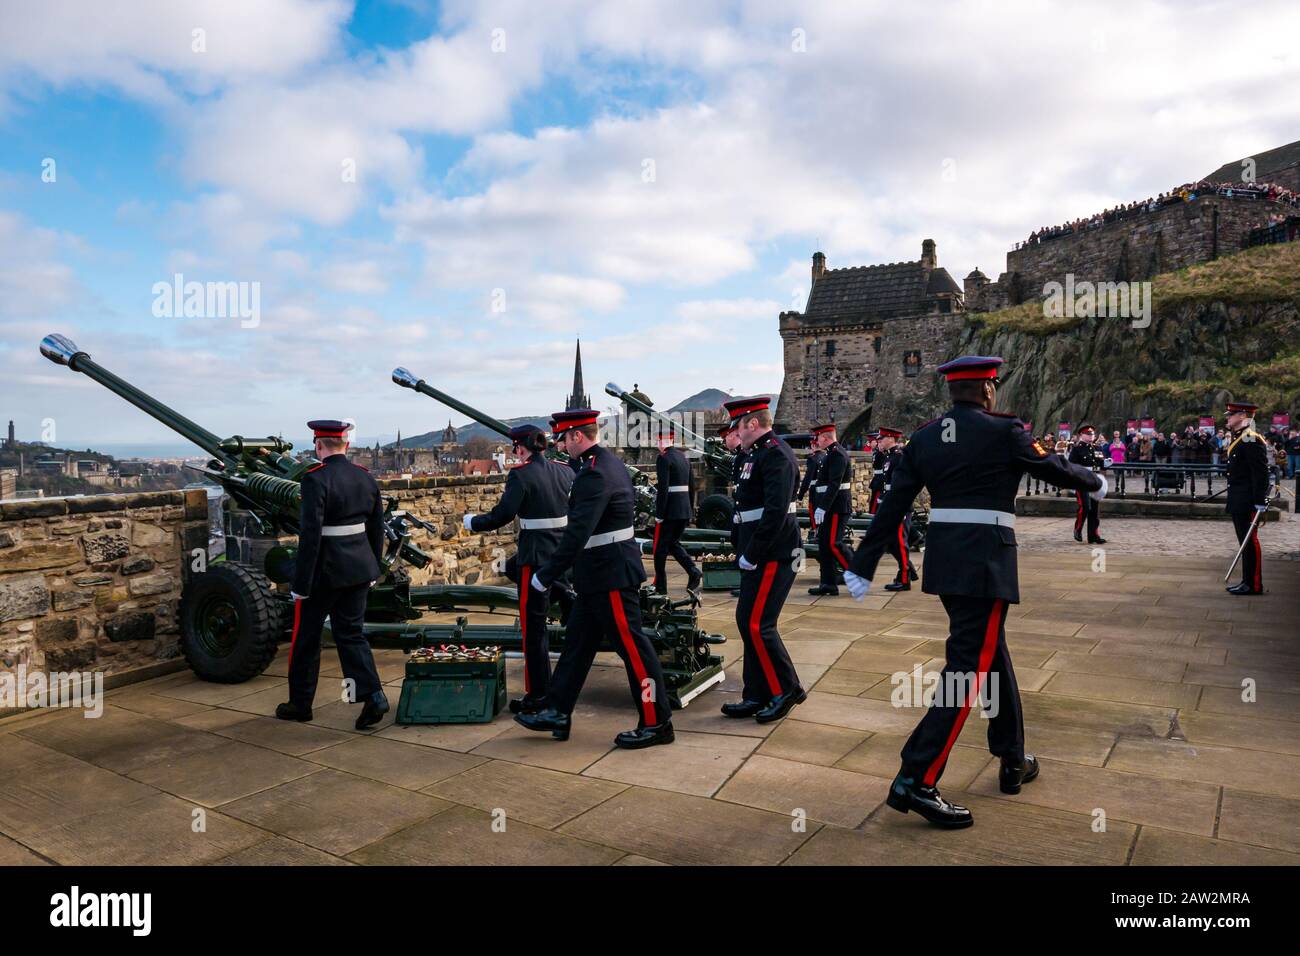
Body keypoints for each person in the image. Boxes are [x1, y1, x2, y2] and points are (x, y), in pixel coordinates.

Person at [843, 356, 1105, 829]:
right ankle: (915, 778)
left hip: (947, 565)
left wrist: (862, 564)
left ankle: (1011, 757)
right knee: (967, 669)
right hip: (986, 564)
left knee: (991, 656)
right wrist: (1096, 481)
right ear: (987, 389)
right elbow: (1056, 469)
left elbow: (892, 507)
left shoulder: (923, 437)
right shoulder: (1004, 431)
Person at [515, 409, 674, 748]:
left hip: (610, 573)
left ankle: (656, 720)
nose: (560, 445)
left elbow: (576, 534)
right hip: (597, 573)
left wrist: (547, 575)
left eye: (563, 439)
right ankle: (557, 710)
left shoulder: (594, 473)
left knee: (633, 647)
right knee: (577, 646)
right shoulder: (600, 464)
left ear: (576, 436)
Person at [278, 420, 389, 730]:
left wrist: (301, 583)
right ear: (347, 446)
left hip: (324, 574)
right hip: (358, 570)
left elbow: (311, 534)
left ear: (318, 445)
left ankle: (300, 704)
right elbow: (375, 527)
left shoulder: (315, 480)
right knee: (351, 635)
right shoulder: (365, 477)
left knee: (306, 639)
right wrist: (373, 567)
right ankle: (373, 695)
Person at [463, 423, 574, 714]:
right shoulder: (564, 470)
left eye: (515, 447)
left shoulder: (520, 474)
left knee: (533, 629)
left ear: (520, 447)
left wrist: (473, 522)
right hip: (561, 552)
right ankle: (563, 591)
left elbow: (504, 514)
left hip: (535, 556)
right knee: (513, 569)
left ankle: (538, 693)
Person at [719, 396, 805, 723]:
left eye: (738, 426)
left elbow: (775, 513)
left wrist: (752, 553)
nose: (735, 434)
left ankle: (786, 688)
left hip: (773, 553)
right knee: (747, 623)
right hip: (755, 552)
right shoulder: (751, 455)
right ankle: (755, 693)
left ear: (752, 423)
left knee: (758, 624)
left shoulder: (776, 456)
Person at [1223, 401, 1270, 596]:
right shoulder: (1241, 437)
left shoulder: (1250, 438)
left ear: (1242, 416)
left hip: (1248, 499)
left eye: (1231, 415)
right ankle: (1246, 581)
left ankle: (1254, 584)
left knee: (1250, 542)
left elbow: (1259, 473)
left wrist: (1260, 500)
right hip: (1239, 497)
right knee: (1244, 541)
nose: (1227, 418)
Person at [651, 427, 702, 597]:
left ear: (662, 442)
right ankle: (693, 570)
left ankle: (661, 587)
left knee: (659, 550)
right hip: (684, 509)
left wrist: (659, 514)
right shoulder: (683, 457)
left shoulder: (663, 459)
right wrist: (690, 510)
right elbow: (692, 487)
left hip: (670, 511)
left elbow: (663, 489)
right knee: (673, 544)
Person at [807, 422, 855, 596]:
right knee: (824, 546)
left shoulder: (837, 455)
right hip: (829, 507)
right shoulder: (830, 454)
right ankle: (828, 583)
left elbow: (835, 484)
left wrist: (822, 507)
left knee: (834, 544)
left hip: (836, 507)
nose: (816, 441)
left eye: (818, 437)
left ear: (825, 437)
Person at [875, 427, 916, 591]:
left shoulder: (899, 457)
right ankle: (908, 571)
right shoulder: (889, 457)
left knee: (899, 542)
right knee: (892, 543)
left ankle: (905, 578)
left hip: (899, 506)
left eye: (882, 439)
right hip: (890, 504)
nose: (879, 441)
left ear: (891, 439)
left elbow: (902, 483)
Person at [1067, 425, 1107, 544]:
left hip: (1095, 479)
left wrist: (1106, 463)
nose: (1091, 436)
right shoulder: (1077, 448)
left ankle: (1093, 535)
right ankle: (1078, 529)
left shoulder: (1097, 447)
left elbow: (1101, 463)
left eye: (1092, 434)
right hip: (1082, 479)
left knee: (1095, 509)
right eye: (1088, 434)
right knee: (1085, 506)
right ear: (1081, 435)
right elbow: (1071, 466)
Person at [798, 440, 826, 541]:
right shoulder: (827, 457)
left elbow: (808, 478)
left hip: (815, 491)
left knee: (813, 512)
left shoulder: (812, 459)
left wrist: (801, 494)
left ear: (813, 445)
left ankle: (815, 532)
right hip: (826, 491)